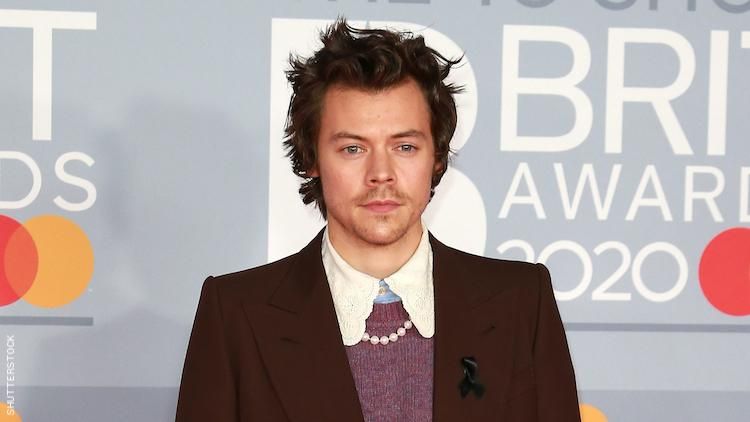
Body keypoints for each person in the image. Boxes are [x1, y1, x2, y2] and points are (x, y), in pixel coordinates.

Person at [175, 18, 580, 422]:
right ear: (312, 158)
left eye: (405, 147)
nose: (381, 174)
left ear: (437, 157)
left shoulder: (520, 303)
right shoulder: (236, 315)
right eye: (353, 148)